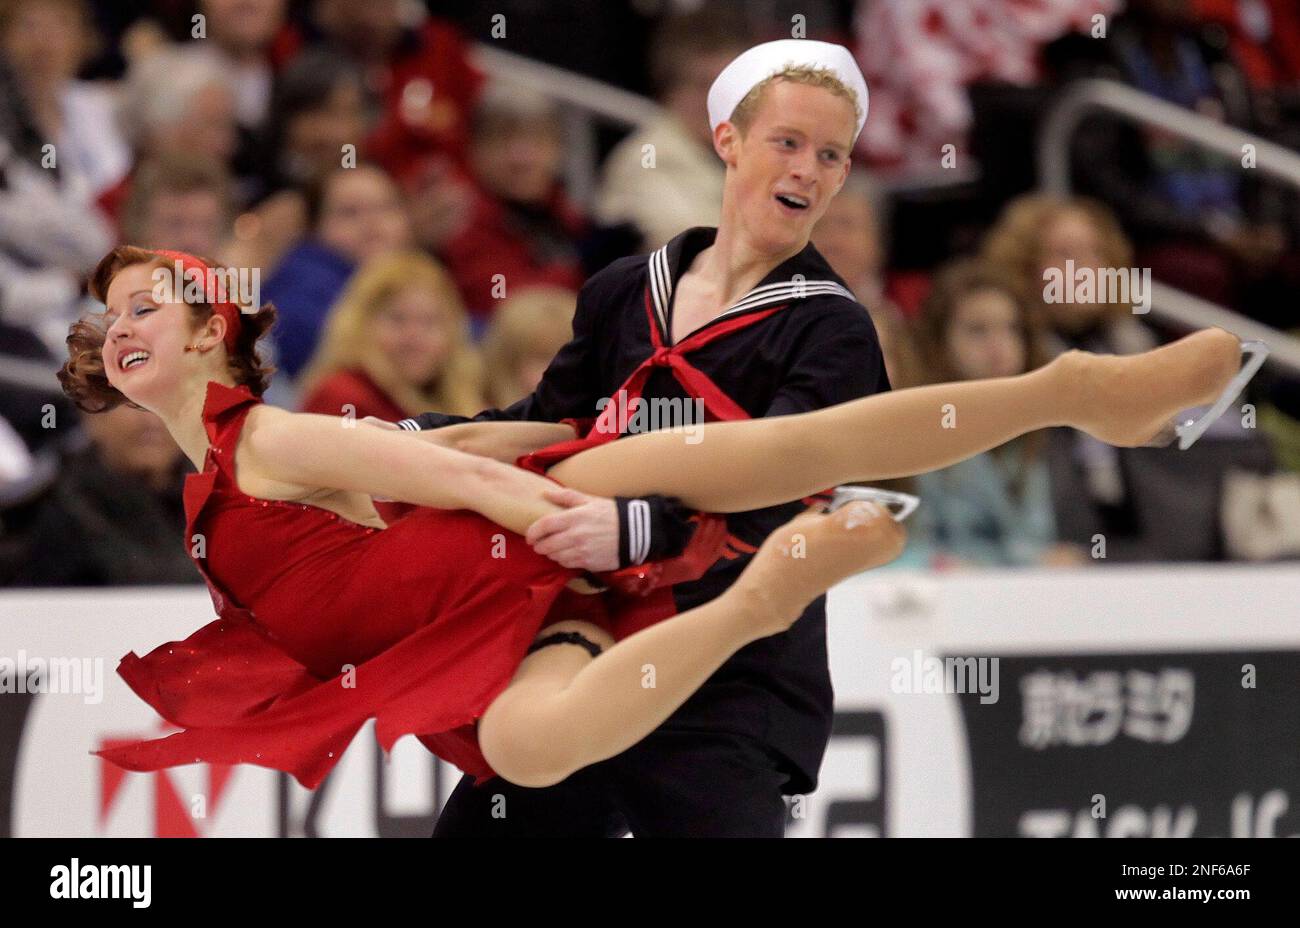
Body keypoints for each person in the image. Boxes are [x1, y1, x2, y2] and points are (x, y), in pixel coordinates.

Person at [62, 244, 1249, 799]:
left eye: (147, 303)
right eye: (110, 312)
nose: (122, 322)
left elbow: (467, 477)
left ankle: (1069, 391)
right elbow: (447, 464)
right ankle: (759, 599)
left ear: (210, 332)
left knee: (795, 447)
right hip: (501, 623)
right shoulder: (201, 491)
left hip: (552, 517)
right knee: (530, 752)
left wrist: (596, 512)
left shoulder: (261, 438)